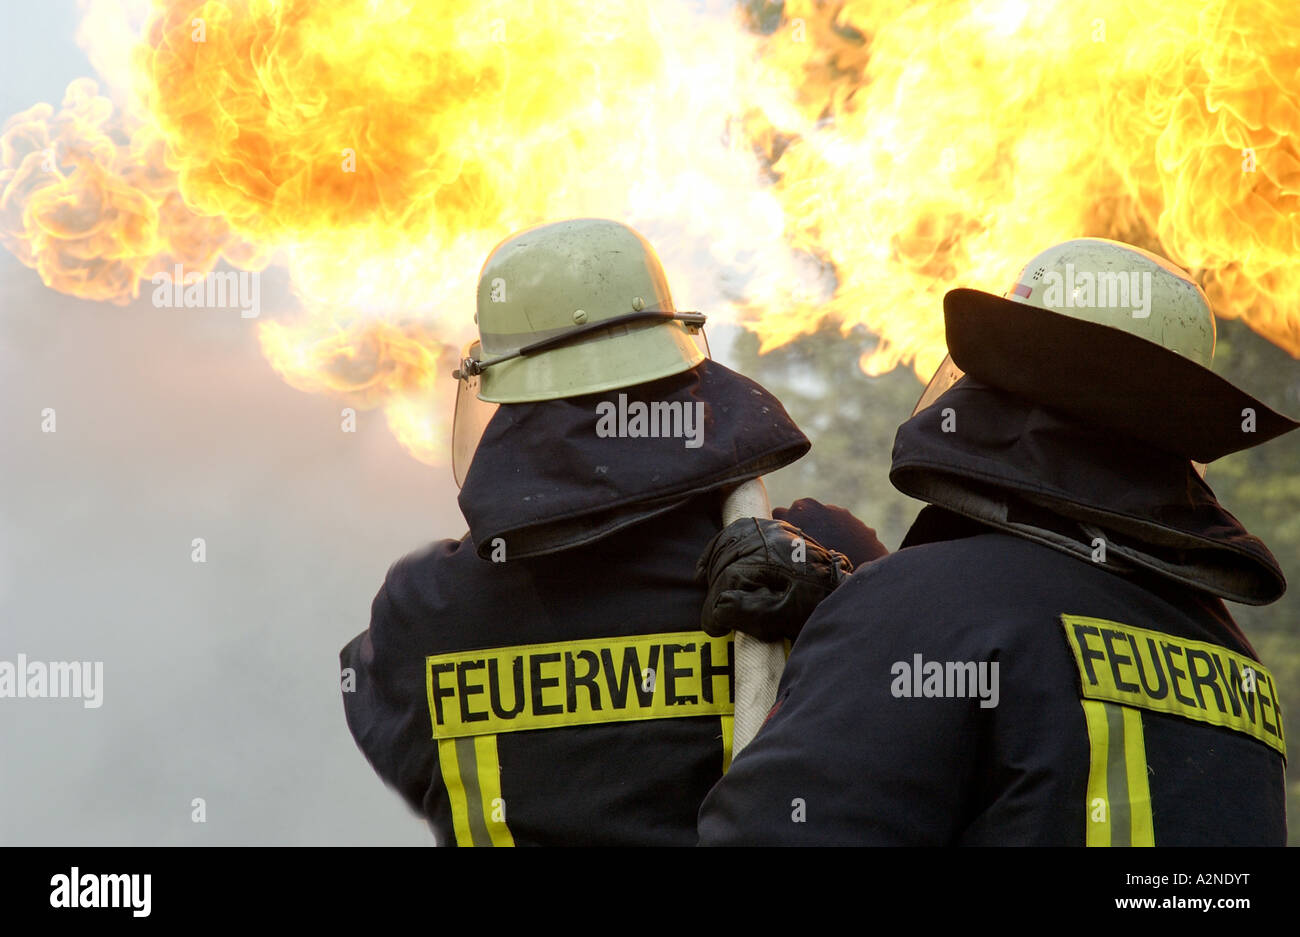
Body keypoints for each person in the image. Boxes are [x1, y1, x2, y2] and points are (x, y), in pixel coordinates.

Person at [696, 238, 1298, 845]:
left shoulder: (925, 607)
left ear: (1004, 395)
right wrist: (852, 601)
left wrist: (873, 617)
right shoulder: (1235, 667)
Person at [339, 217, 883, 846]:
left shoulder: (424, 610)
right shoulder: (813, 557)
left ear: (508, 404)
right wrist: (845, 599)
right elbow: (925, 735)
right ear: (685, 374)